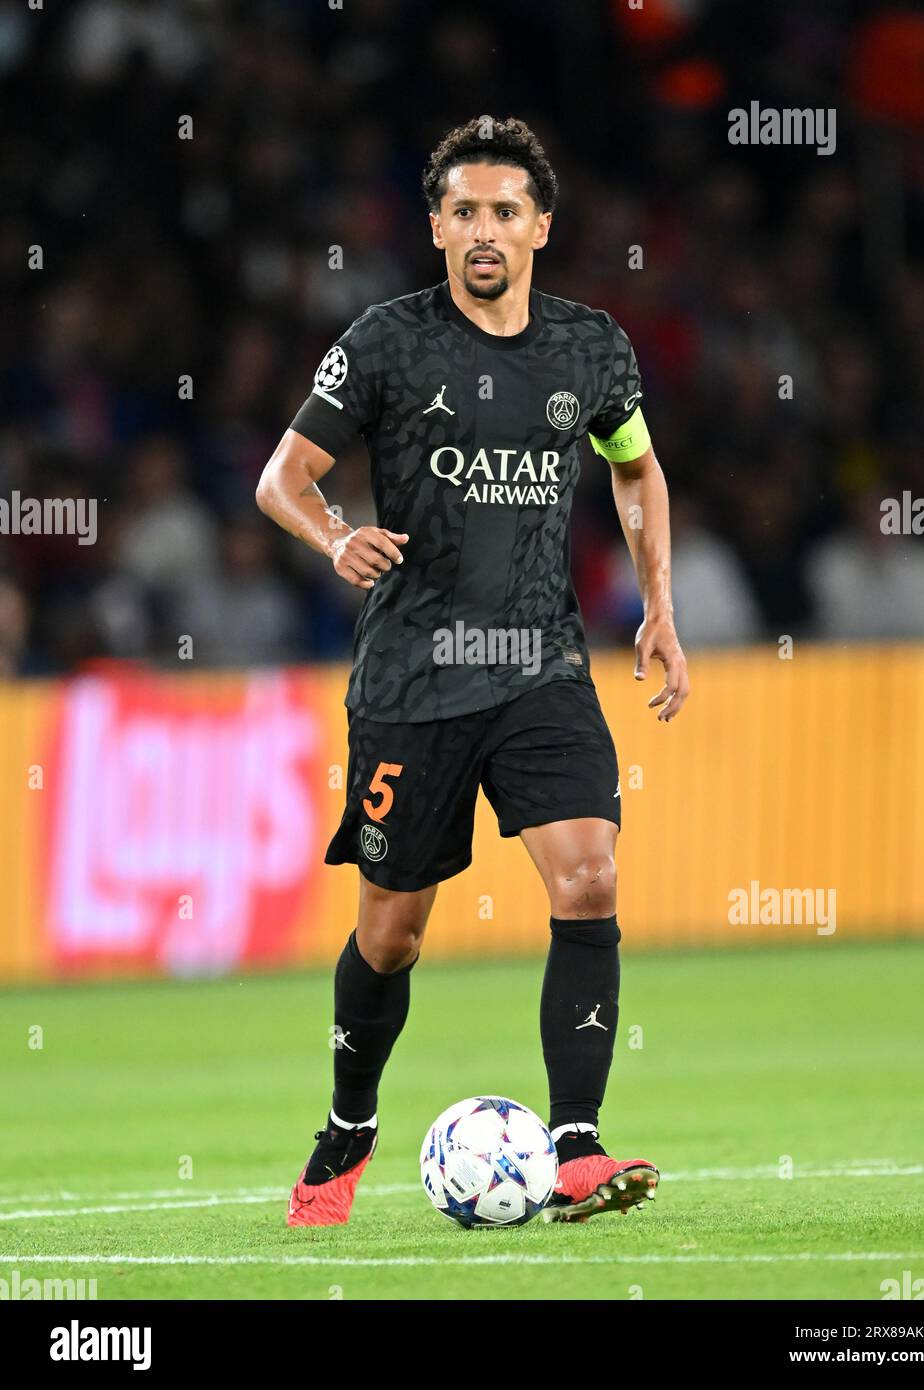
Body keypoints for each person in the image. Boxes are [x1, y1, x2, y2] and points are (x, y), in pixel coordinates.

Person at [256, 116, 689, 1227]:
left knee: (588, 875)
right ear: (437, 227)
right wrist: (333, 534)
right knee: (390, 933)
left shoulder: (590, 349)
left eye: (503, 211)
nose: (482, 230)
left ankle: (577, 1146)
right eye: (462, 211)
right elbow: (283, 478)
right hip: (413, 677)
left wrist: (659, 605)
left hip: (541, 665)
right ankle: (350, 1123)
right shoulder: (388, 343)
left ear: (539, 227)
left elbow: (635, 471)